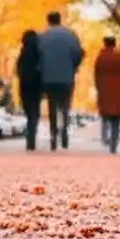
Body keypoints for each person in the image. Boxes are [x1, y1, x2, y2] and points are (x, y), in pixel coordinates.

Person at [36, 11, 84, 150]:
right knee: (65, 107)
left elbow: (38, 57)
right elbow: (78, 54)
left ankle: (53, 135)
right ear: (59, 19)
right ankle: (64, 133)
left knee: (52, 107)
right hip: (66, 77)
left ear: (48, 21)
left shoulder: (43, 37)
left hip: (49, 77)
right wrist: (73, 67)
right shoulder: (71, 36)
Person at [94, 34, 120, 154]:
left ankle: (105, 137)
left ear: (105, 43)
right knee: (116, 118)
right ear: (114, 44)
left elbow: (96, 74)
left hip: (105, 89)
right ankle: (113, 145)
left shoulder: (101, 57)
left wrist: (99, 87)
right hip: (118, 90)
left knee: (105, 115)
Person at [15, 30, 42, 151]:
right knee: (34, 112)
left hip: (25, 85)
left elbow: (19, 70)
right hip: (36, 85)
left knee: (29, 113)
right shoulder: (39, 53)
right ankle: (31, 136)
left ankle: (30, 136)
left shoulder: (23, 53)